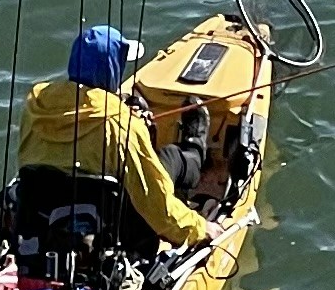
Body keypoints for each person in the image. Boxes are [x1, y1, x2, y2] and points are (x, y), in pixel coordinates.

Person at [12, 27, 212, 261]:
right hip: (113, 237)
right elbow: (157, 206)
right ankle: (195, 145)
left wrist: (119, 106)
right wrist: (200, 228)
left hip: (42, 225)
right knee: (171, 156)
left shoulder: (35, 109)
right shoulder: (120, 124)